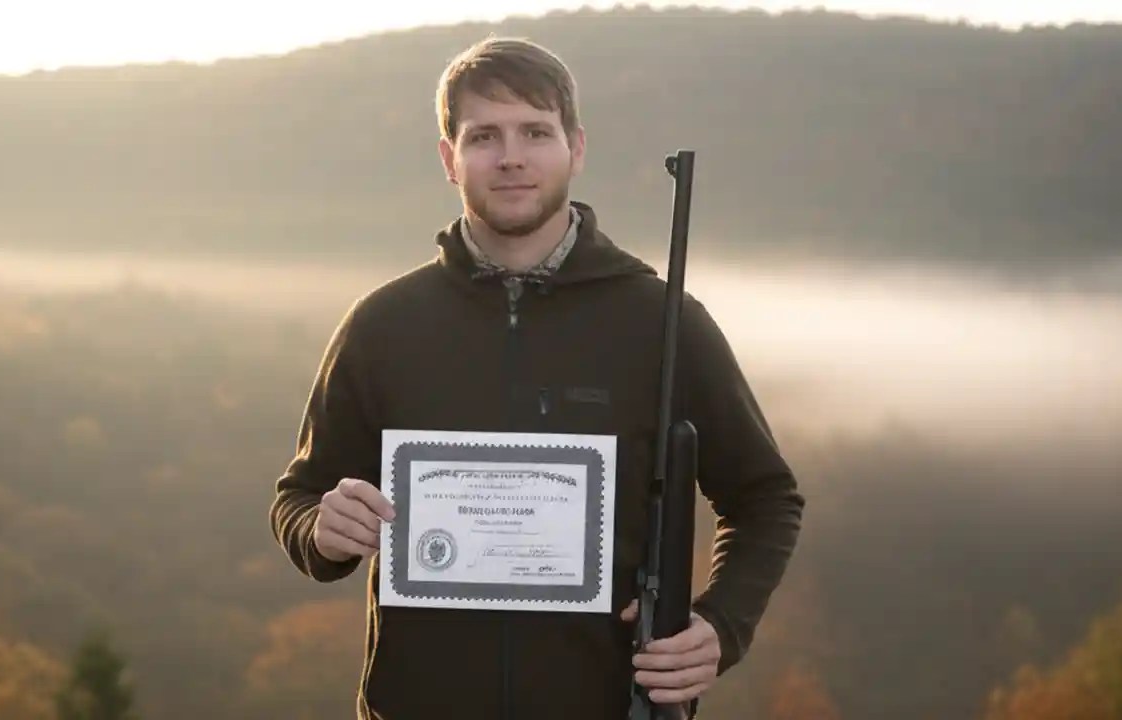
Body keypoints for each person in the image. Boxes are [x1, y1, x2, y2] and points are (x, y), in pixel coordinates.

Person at [269, 36, 804, 720]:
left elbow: (765, 497)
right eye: (484, 135)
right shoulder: (382, 326)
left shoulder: (664, 322)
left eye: (535, 132)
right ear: (449, 158)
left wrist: (720, 626)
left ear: (575, 149)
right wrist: (320, 527)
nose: (512, 155)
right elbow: (299, 496)